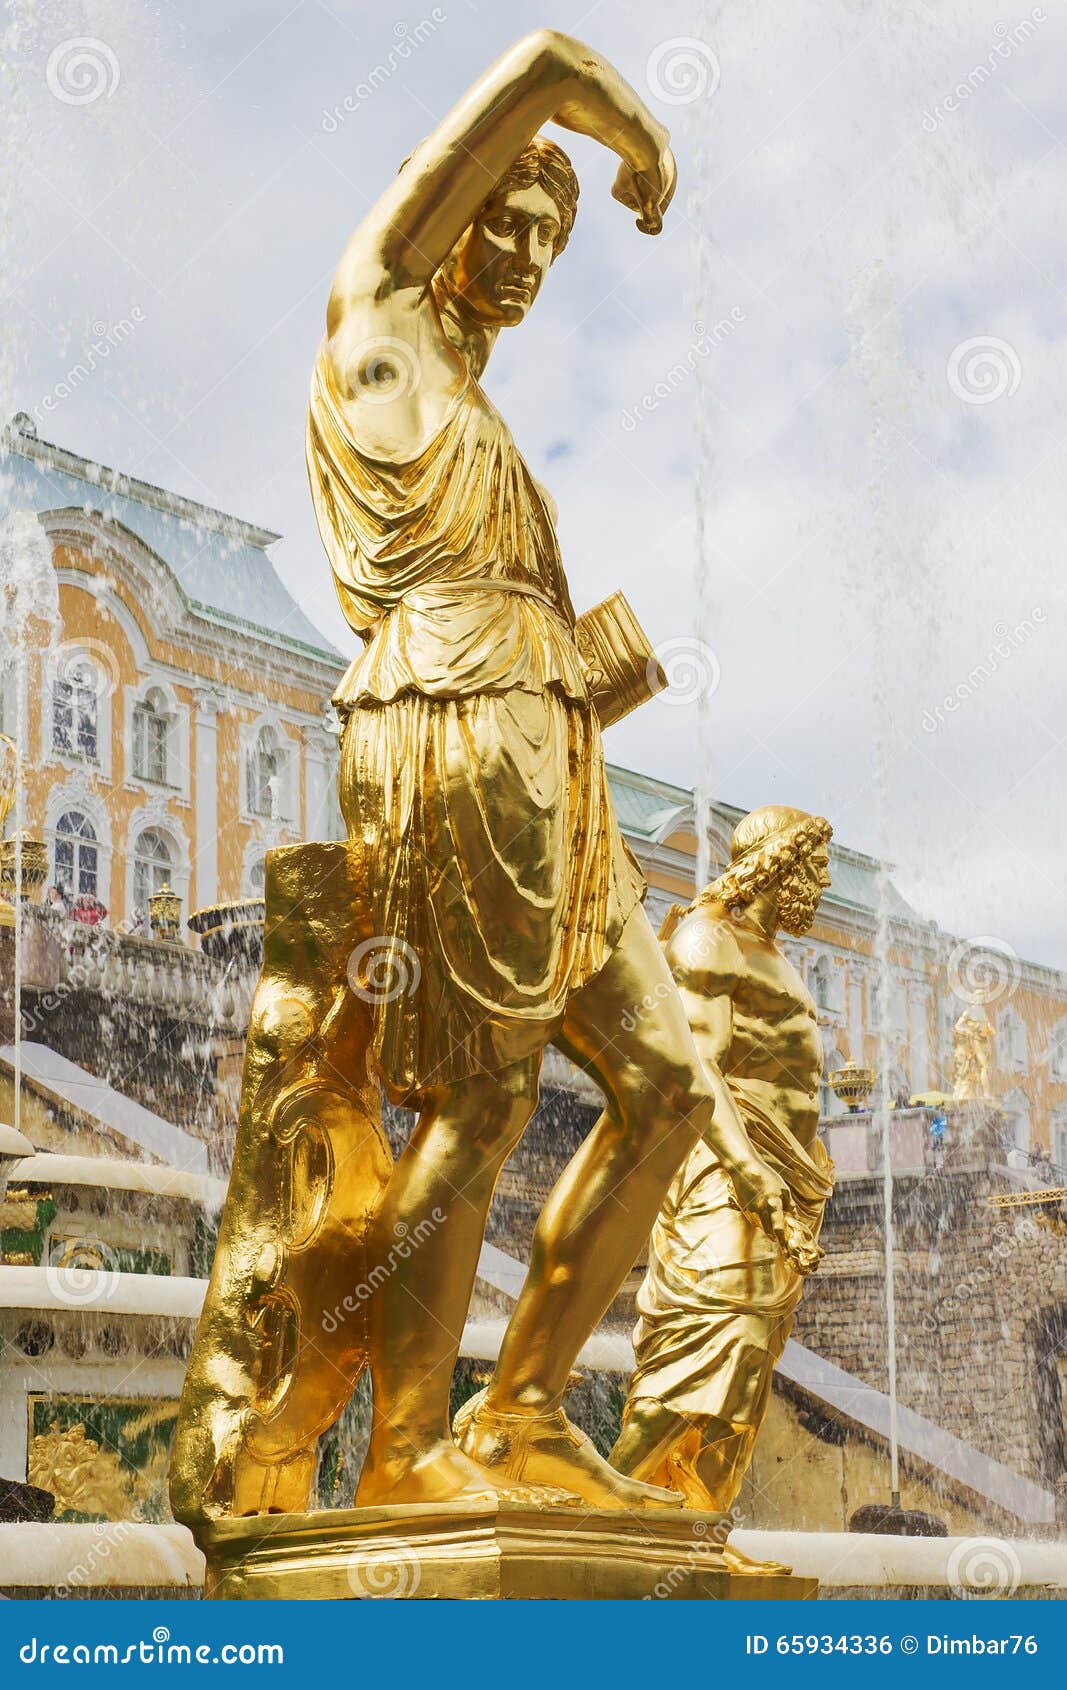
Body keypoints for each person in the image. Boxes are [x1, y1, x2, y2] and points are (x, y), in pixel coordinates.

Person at [308, 31, 805, 1511]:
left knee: (662, 1087)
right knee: (482, 1101)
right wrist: (629, 134)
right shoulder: (376, 319)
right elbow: (535, 59)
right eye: (503, 222)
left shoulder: (483, 409)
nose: (524, 251)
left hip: (549, 761)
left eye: (550, 233)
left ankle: (515, 1411)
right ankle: (398, 1459)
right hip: (445, 733)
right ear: (441, 222)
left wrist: (586, 671)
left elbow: (513, 630)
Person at [610, 807, 834, 1569]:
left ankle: (696, 1537)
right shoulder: (708, 938)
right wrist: (745, 1169)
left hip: (788, 1176)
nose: (824, 883)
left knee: (747, 1370)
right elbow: (694, 1070)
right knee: (709, 1343)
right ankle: (610, 1509)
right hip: (723, 1169)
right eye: (812, 866)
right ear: (773, 864)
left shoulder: (777, 955)